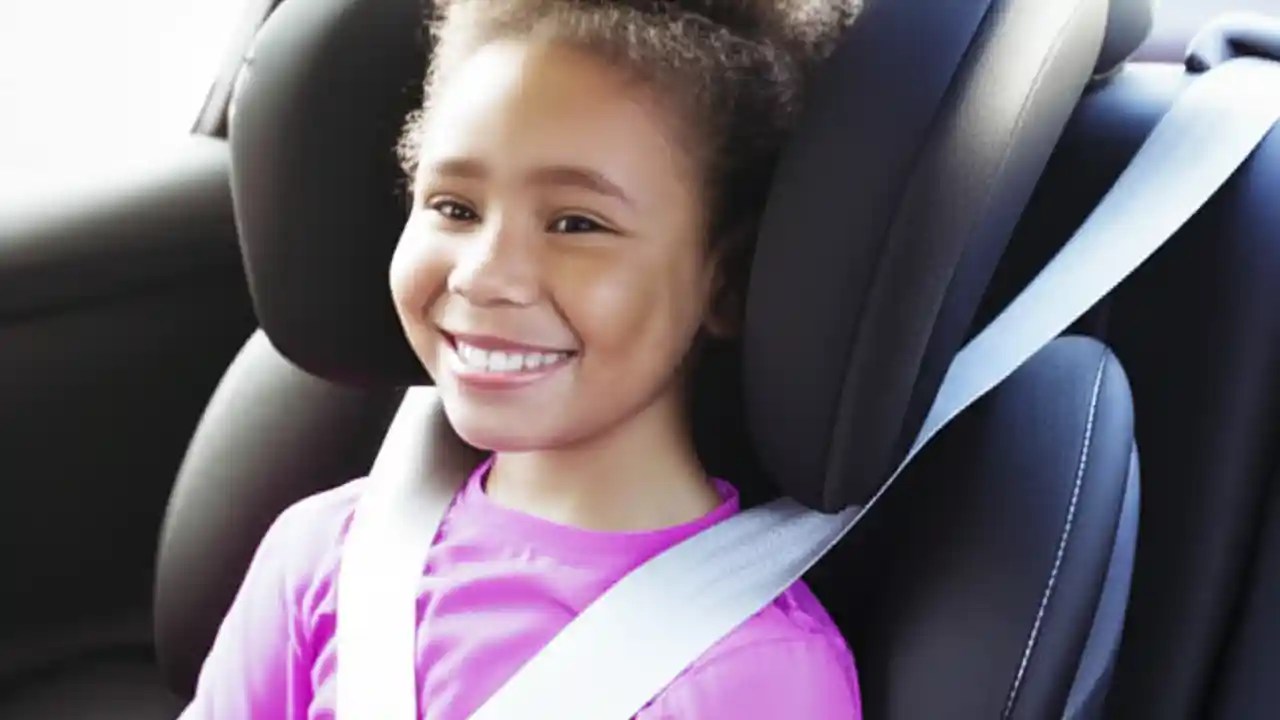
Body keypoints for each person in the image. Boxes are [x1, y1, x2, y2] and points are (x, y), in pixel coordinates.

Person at [180, 1, 862, 717]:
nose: (481, 274)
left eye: (576, 223)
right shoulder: (328, 559)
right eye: (454, 207)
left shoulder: (753, 678)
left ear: (722, 281)